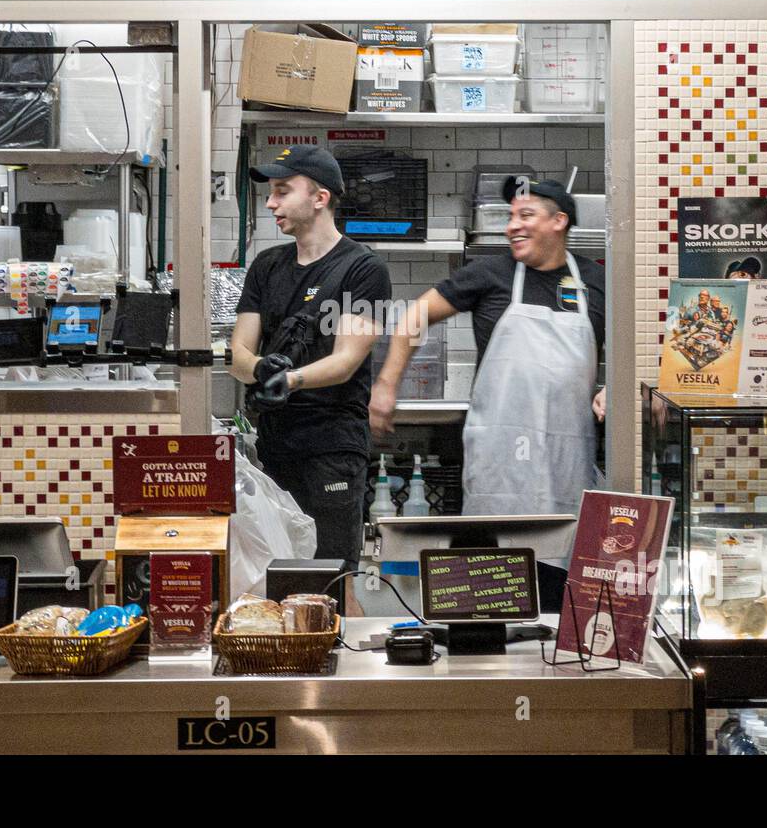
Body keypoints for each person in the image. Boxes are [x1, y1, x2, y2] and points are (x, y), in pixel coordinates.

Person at [369, 176, 606, 608]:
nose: (512, 226)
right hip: (500, 456)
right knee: (490, 578)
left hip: (566, 454)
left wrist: (613, 390)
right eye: (510, 217)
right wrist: (386, 384)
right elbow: (412, 319)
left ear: (559, 221)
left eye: (526, 215)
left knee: (561, 577)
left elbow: (631, 347)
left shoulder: (594, 281)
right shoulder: (490, 274)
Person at [229, 145, 392, 599]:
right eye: (270, 193)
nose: (270, 202)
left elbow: (346, 361)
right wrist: (262, 367)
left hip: (332, 446)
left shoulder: (363, 268)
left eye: (282, 191)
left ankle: (340, 667)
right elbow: (237, 353)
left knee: (332, 581)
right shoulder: (267, 266)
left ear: (320, 198)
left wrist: (291, 379)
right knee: (282, 579)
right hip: (277, 448)